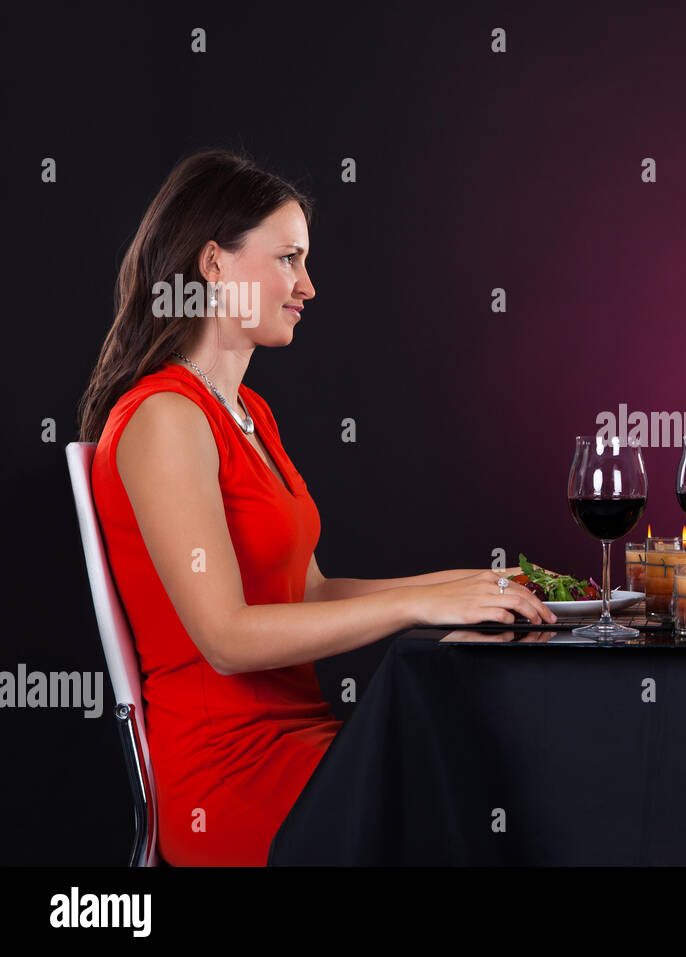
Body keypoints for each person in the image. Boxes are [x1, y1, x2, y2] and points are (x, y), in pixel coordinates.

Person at [79, 148, 557, 866]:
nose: (307, 285)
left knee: (496, 780)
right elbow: (227, 638)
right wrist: (419, 610)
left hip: (307, 743)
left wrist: (458, 586)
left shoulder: (249, 414)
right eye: (288, 259)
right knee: (465, 805)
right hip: (233, 777)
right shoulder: (163, 419)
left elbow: (307, 592)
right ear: (213, 264)